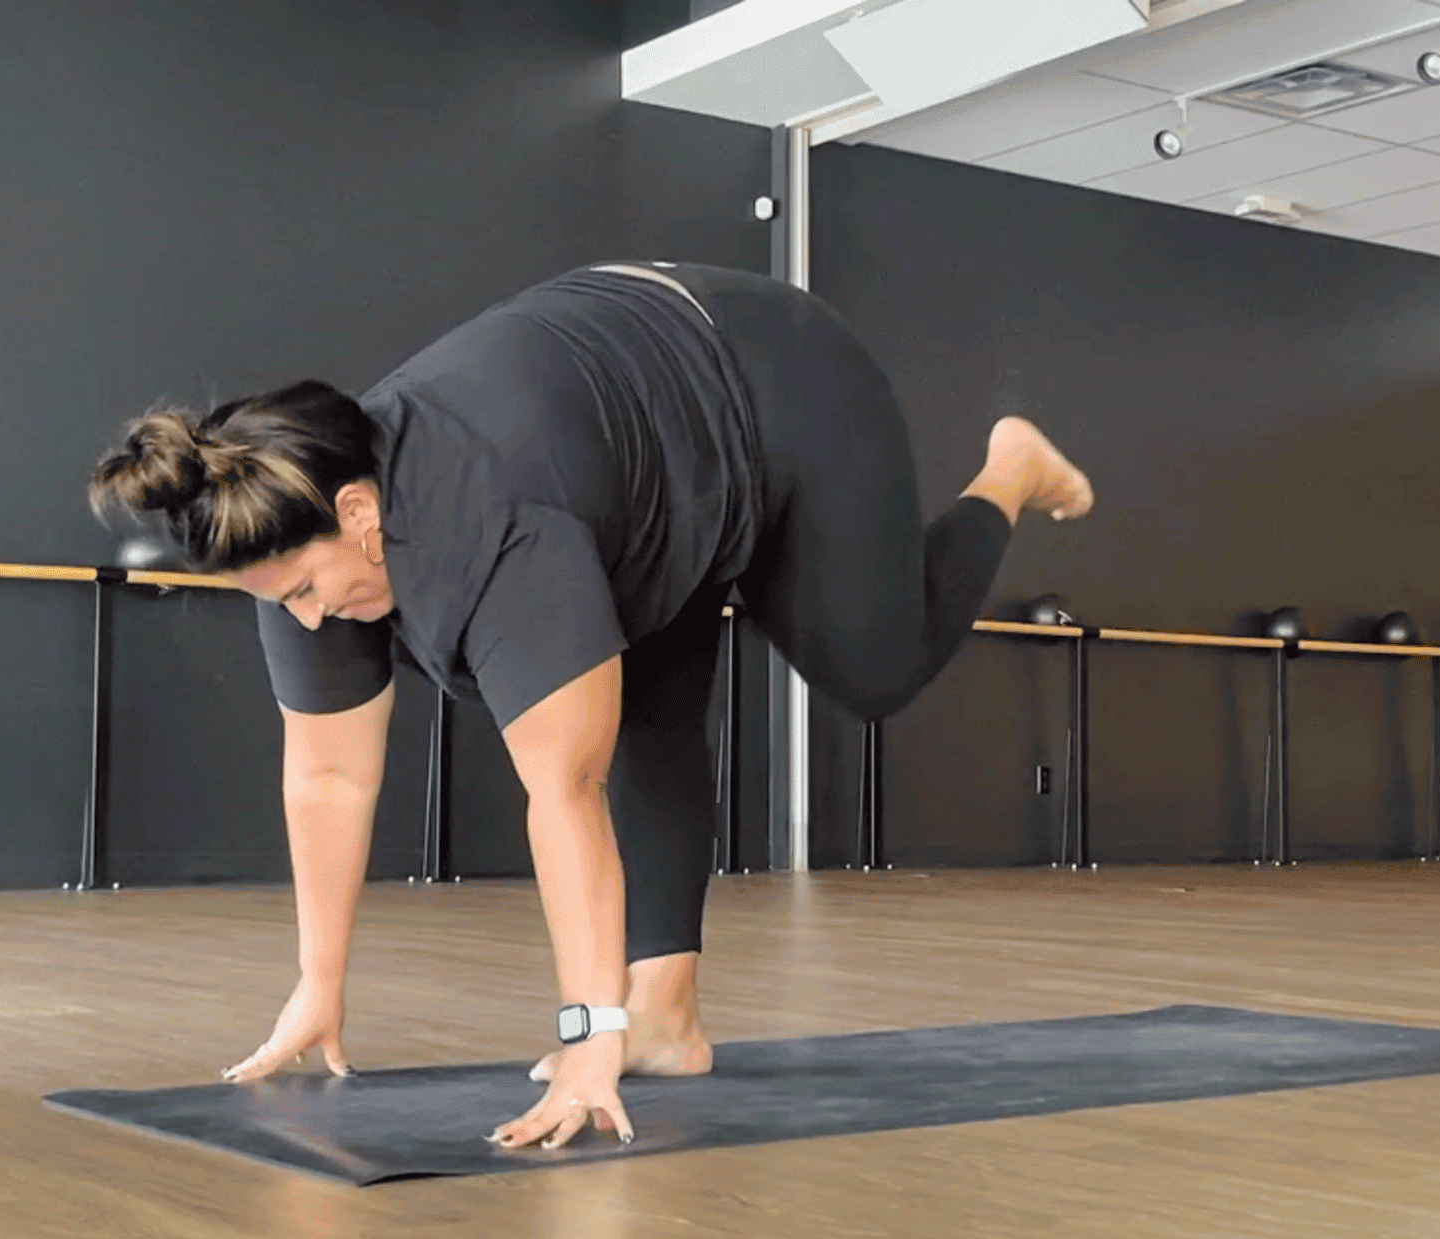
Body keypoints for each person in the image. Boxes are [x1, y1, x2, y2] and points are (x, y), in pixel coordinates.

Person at [85, 261, 1093, 1154]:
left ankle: (1010, 470)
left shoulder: (496, 518)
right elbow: (329, 777)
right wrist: (319, 984)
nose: (306, 619)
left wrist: (586, 1039)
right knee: (643, 698)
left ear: (359, 514)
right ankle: (664, 1017)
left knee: (873, 669)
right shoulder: (296, 527)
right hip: (629, 459)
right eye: (280, 603)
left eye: (307, 590)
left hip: (775, 380)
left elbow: (565, 791)